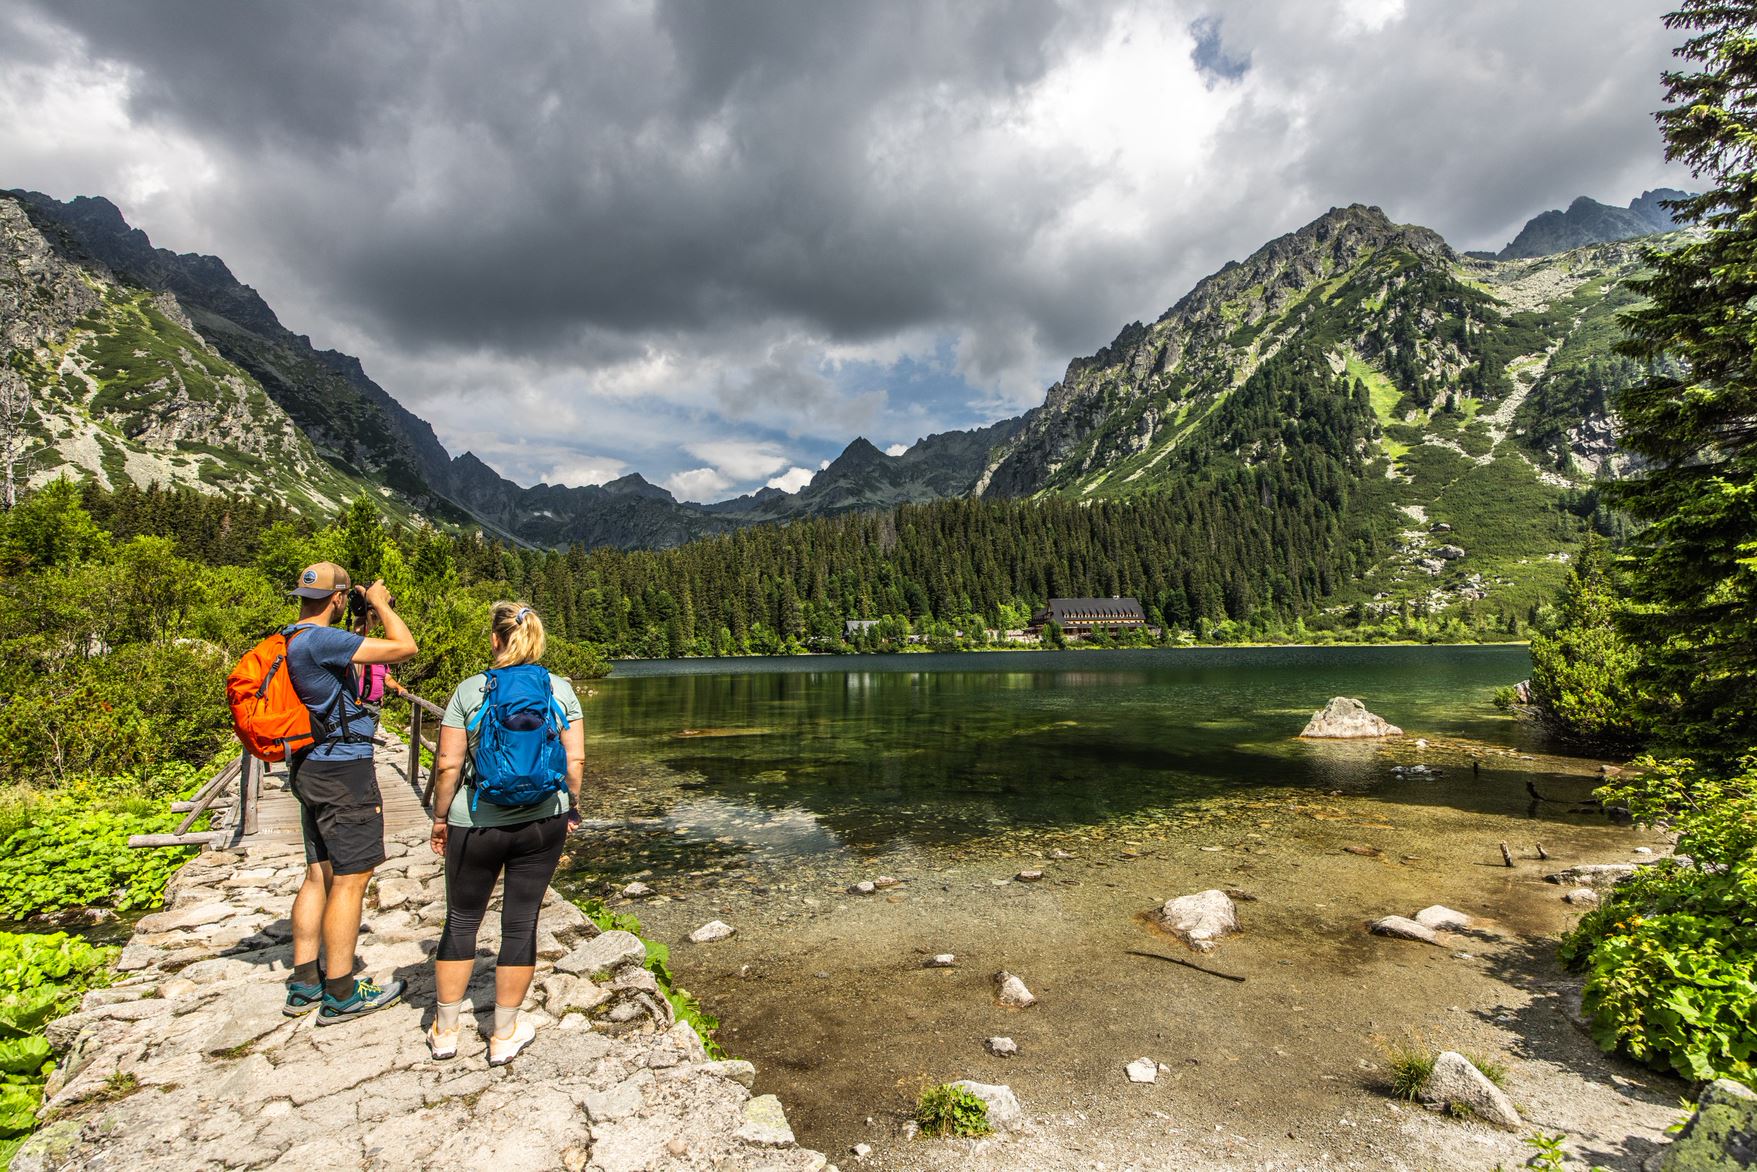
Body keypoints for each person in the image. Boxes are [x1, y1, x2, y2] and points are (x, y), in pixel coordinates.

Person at [426, 601, 585, 1065]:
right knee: (520, 923)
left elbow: (447, 764)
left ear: (495, 639)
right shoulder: (559, 690)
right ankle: (503, 1032)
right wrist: (571, 806)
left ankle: (446, 1030)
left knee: (460, 920)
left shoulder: (470, 690)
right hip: (542, 821)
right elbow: (574, 762)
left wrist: (440, 818)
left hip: (476, 820)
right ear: (537, 639)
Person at [280, 562, 419, 1024]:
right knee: (352, 878)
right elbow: (405, 647)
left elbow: (357, 678)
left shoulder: (293, 637)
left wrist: (362, 622)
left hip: (308, 766)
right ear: (338, 599)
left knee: (318, 873)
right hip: (343, 772)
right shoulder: (322, 639)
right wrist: (380, 604)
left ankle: (304, 982)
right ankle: (340, 992)